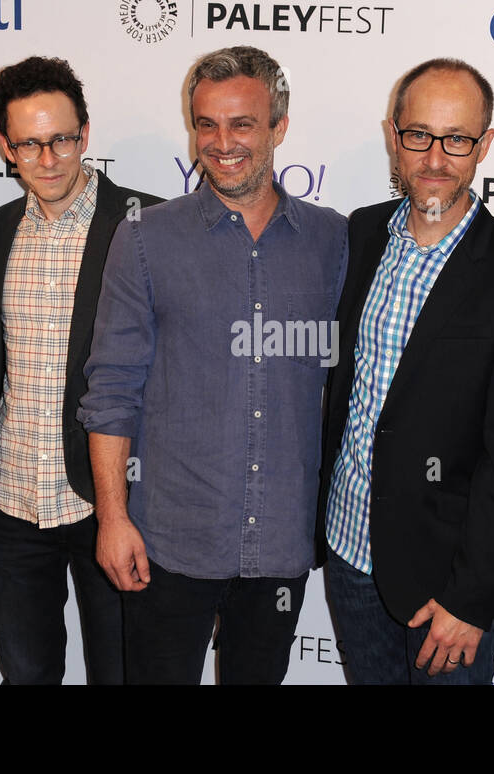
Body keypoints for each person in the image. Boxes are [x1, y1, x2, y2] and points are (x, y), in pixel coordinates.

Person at [78, 45, 348, 684]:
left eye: (242, 124)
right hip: (169, 540)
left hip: (282, 543)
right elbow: (112, 388)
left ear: (279, 129)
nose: (222, 142)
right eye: (206, 124)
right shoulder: (145, 237)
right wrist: (113, 518)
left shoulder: (333, 239)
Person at [318, 59, 494, 684]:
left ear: (485, 146)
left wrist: (472, 598)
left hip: (445, 587)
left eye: (457, 140)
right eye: (419, 135)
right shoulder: (361, 232)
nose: (435, 157)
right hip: (348, 549)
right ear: (393, 136)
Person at [0, 56, 161, 685]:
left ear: (86, 133)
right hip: (13, 501)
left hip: (112, 506)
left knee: (123, 673)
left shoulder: (149, 224)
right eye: (29, 142)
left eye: (61, 139)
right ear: (6, 145)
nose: (47, 158)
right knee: (25, 676)